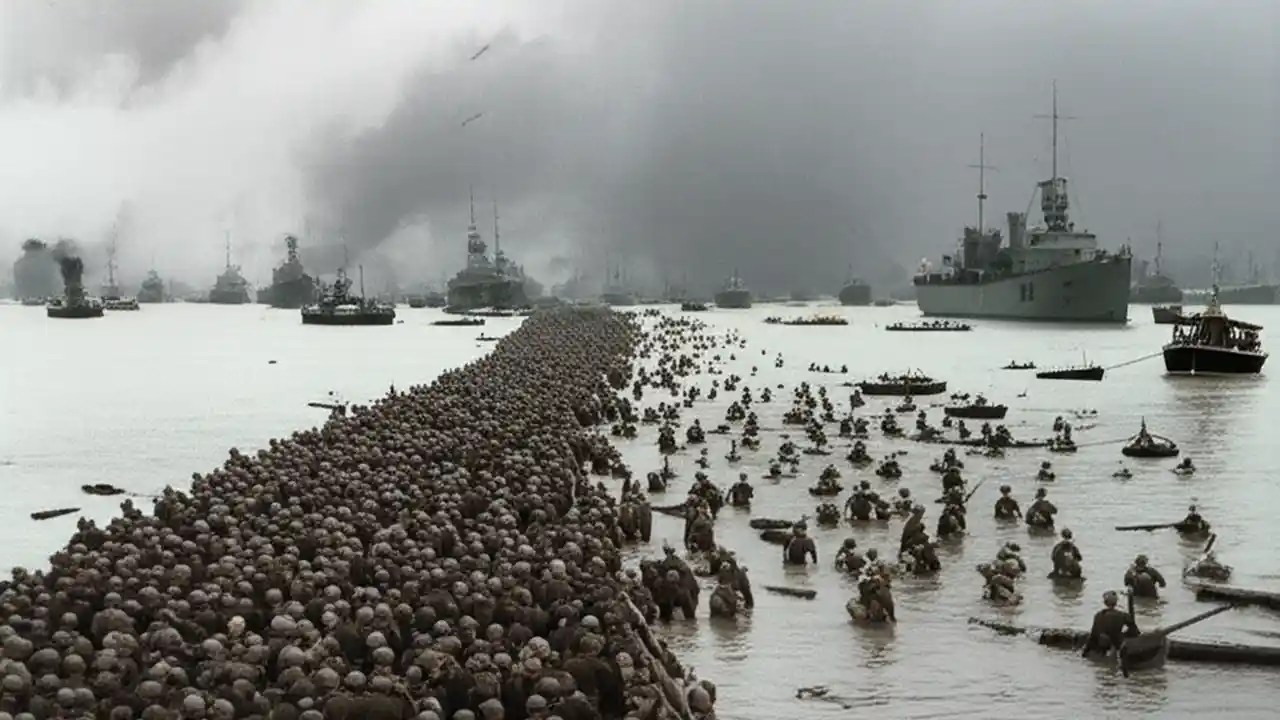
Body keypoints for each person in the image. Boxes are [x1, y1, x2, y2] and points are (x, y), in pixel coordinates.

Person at [1082, 590, 1139, 657]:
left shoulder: (1098, 615)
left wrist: (1085, 651)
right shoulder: (1122, 615)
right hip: (1115, 644)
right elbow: (1134, 630)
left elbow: (1093, 634)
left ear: (1105, 602)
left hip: (1100, 645)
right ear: (1116, 602)